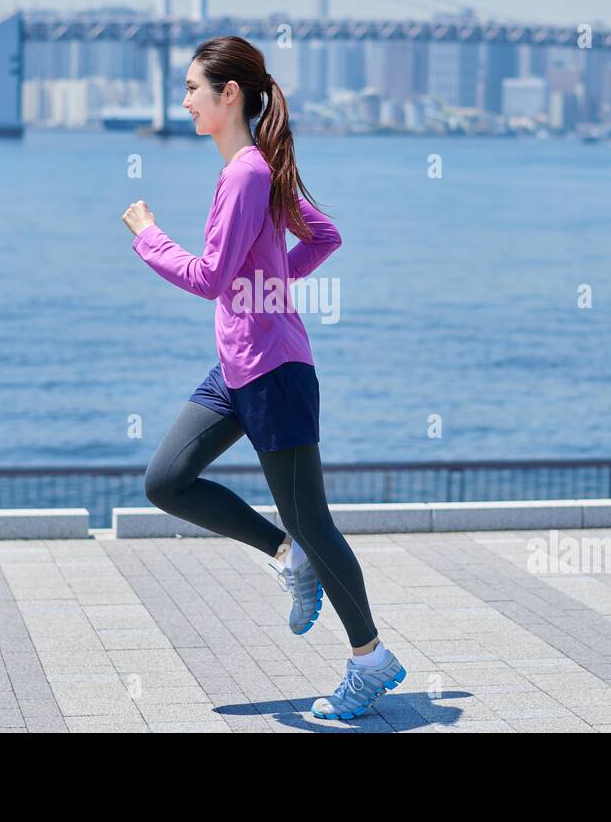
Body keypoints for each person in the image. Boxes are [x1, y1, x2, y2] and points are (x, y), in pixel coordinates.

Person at [121, 35, 406, 720]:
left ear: (230, 95)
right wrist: (272, 284)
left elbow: (211, 277)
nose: (184, 100)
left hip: (274, 374)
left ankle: (371, 659)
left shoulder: (248, 173)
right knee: (166, 481)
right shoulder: (255, 172)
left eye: (194, 87)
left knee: (315, 520)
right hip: (237, 368)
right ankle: (285, 554)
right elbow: (321, 240)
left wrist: (147, 235)